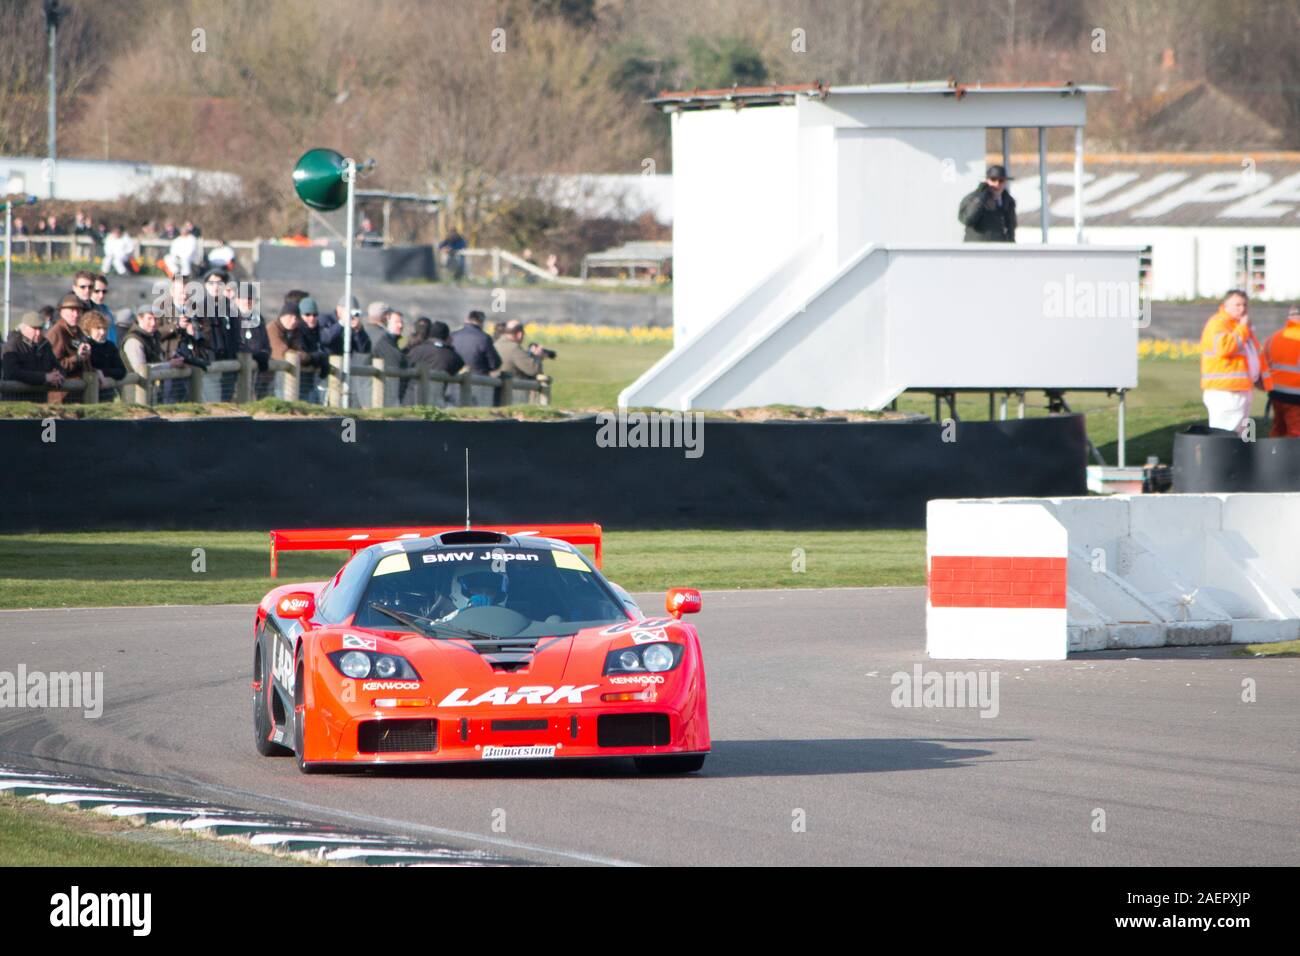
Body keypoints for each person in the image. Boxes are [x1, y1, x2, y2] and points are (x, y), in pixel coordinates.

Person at [1200, 290, 1271, 435]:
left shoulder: (1238, 326)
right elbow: (1225, 348)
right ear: (1225, 306)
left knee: (1239, 435)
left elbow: (1252, 355)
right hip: (1226, 391)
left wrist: (1259, 378)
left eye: (1244, 305)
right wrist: (1243, 329)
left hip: (1240, 389)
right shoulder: (1219, 323)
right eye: (1237, 304)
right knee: (1225, 435)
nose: (1242, 308)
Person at [121, 309, 186, 403]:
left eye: (156, 319)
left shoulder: (152, 337)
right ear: (140, 319)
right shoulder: (134, 341)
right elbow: (140, 369)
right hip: (135, 393)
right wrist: (169, 365)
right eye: (149, 319)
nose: (153, 323)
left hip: (151, 391)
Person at [403, 318, 463, 405]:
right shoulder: (452, 356)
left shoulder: (416, 351)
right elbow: (460, 365)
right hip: (437, 400)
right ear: (447, 337)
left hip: (411, 398)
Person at [46, 294, 93, 403]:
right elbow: (53, 366)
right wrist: (76, 358)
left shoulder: (79, 332)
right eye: (72, 310)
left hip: (79, 393)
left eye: (79, 311)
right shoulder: (57, 333)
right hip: (62, 396)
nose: (76, 314)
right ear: (61, 312)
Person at [2, 312, 64, 394]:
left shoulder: (45, 345)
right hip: (16, 400)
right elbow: (11, 373)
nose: (38, 333)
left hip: (40, 401)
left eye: (40, 329)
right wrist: (44, 378)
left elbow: (58, 366)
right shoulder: (12, 345)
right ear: (24, 328)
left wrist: (58, 376)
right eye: (34, 328)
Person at [1264, 304, 1300, 437]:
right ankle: (1293, 458)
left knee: (1278, 429)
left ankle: (1274, 454)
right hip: (1296, 397)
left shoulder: (1273, 338)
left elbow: (1263, 366)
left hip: (1276, 394)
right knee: (1296, 433)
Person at [959, 164, 1017, 242]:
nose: (997, 184)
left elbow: (1011, 228)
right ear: (987, 181)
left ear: (1005, 182)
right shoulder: (973, 198)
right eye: (993, 180)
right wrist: (981, 198)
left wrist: (1011, 248)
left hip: (1000, 250)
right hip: (977, 250)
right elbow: (968, 220)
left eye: (1001, 181)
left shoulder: (1008, 201)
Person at [80, 311, 124, 399]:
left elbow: (121, 371)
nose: (102, 332)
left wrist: (102, 372)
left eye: (105, 328)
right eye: (98, 328)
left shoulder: (110, 346)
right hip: (86, 395)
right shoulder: (85, 345)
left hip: (107, 394)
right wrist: (97, 372)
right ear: (88, 329)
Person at [451, 309, 500, 375]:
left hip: (454, 379)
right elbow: (494, 364)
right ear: (481, 322)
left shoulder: (453, 335)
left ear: (467, 320)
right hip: (478, 380)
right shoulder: (484, 338)